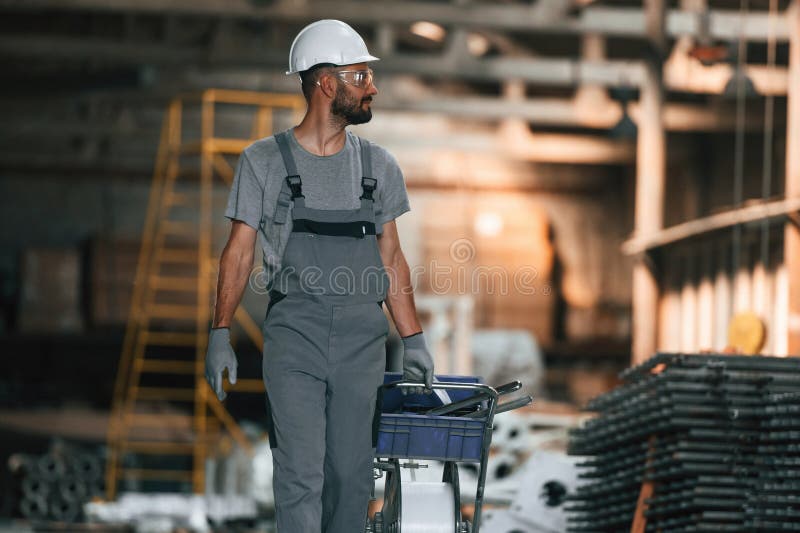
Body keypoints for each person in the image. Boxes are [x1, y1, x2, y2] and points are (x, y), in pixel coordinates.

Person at [204, 19, 435, 533]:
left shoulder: (379, 166)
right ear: (327, 84)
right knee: (300, 474)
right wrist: (220, 331)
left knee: (351, 479)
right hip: (295, 337)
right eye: (361, 76)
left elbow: (391, 258)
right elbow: (238, 253)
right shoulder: (263, 162)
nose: (372, 87)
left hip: (362, 341)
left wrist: (413, 339)